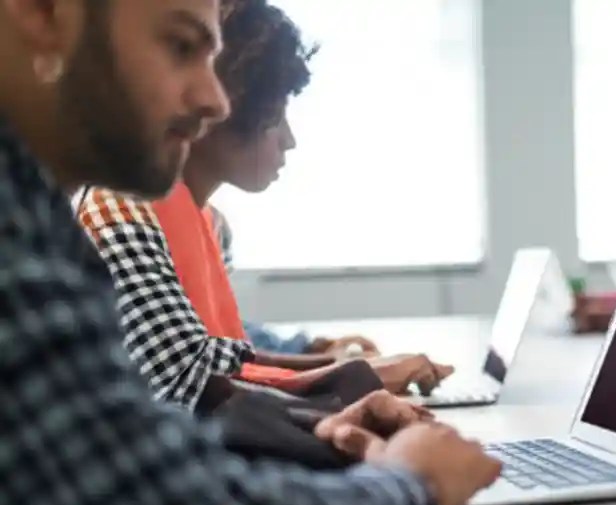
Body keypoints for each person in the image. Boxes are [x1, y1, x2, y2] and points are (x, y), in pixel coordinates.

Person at [0, 1, 499, 505]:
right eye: (179, 46)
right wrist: (409, 484)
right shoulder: (24, 243)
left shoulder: (38, 218)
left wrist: (312, 430)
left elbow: (145, 458)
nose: (212, 99)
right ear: (41, 14)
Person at [77, 1, 446, 410]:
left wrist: (321, 355)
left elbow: (226, 344)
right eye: (273, 115)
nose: (288, 139)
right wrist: (355, 376)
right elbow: (193, 381)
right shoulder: (119, 210)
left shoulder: (210, 223)